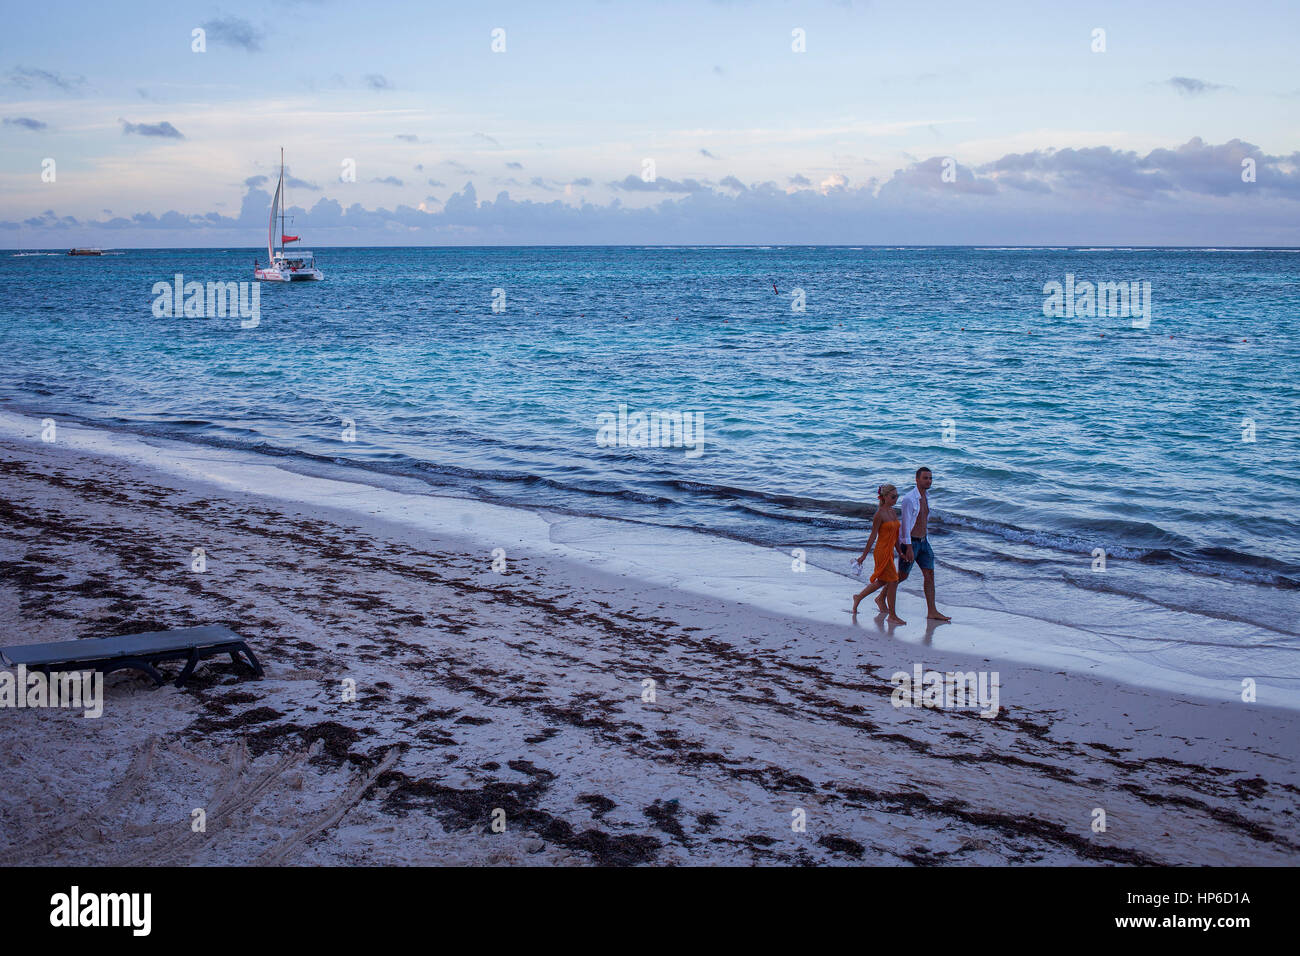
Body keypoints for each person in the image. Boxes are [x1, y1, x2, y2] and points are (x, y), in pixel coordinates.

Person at [897, 467, 951, 621]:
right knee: (901, 576)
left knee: (930, 575)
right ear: (917, 479)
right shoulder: (909, 499)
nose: (929, 481)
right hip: (911, 543)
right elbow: (906, 525)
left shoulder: (927, 496)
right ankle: (880, 597)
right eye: (925, 478)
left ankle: (932, 611)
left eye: (930, 478)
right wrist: (908, 547)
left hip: (924, 542)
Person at [851, 484, 906, 624]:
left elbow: (895, 536)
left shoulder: (893, 512)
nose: (896, 499)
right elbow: (872, 536)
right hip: (881, 552)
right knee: (893, 581)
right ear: (885, 497)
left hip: (890, 552)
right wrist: (863, 556)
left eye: (897, 496)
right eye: (893, 496)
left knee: (882, 581)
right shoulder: (879, 514)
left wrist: (900, 552)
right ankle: (892, 615)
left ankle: (858, 597)